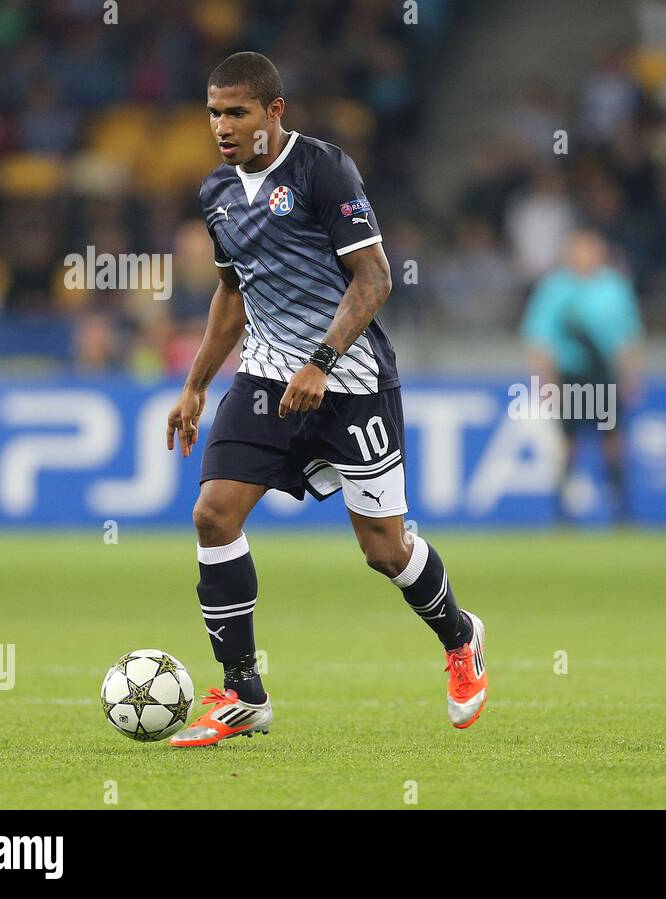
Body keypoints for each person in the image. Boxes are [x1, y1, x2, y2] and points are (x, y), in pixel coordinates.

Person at [164, 52, 487, 747]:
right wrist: (195, 382)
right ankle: (243, 692)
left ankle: (460, 636)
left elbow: (374, 277)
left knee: (384, 548)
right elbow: (231, 291)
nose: (222, 126)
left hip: (351, 384)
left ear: (273, 112)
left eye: (237, 112)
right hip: (265, 379)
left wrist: (322, 359)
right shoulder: (216, 192)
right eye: (214, 112)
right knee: (213, 515)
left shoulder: (322, 169)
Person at [521, 227, 643, 522]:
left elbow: (629, 338)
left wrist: (632, 377)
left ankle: (621, 509)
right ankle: (563, 512)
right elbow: (538, 339)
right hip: (570, 377)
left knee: (613, 443)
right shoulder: (554, 288)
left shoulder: (614, 287)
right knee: (568, 444)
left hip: (605, 377)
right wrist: (544, 381)